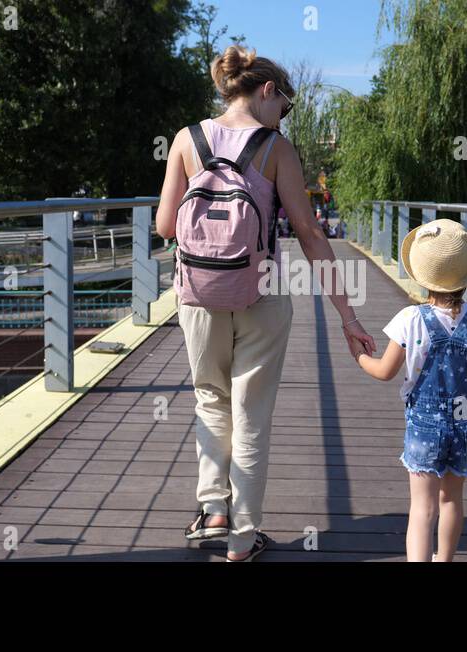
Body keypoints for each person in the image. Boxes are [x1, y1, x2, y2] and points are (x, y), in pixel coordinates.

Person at [155, 45, 375, 561]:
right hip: (263, 291)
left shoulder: (187, 140)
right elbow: (310, 234)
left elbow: (166, 226)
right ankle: (240, 540)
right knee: (251, 416)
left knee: (210, 399)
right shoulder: (276, 148)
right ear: (267, 91)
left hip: (199, 295)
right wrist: (346, 313)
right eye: (286, 107)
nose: (285, 118)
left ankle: (213, 509)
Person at [353, 219, 467, 561]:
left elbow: (385, 371)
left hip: (425, 427)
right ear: (466, 277)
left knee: (422, 509)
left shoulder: (411, 319)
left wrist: (359, 356)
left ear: (421, 275)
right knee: (452, 500)